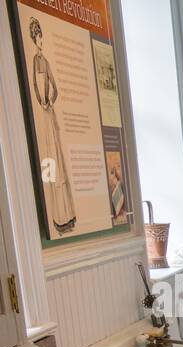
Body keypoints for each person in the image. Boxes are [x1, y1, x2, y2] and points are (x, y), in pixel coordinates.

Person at [29, 18, 76, 234]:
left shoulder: (46, 62)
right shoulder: (34, 62)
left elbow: (55, 87)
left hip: (50, 114)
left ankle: (66, 214)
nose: (40, 40)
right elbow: (34, 87)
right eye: (38, 37)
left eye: (41, 37)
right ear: (34, 38)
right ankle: (55, 215)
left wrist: (50, 101)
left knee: (57, 159)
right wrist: (42, 101)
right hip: (43, 117)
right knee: (49, 161)